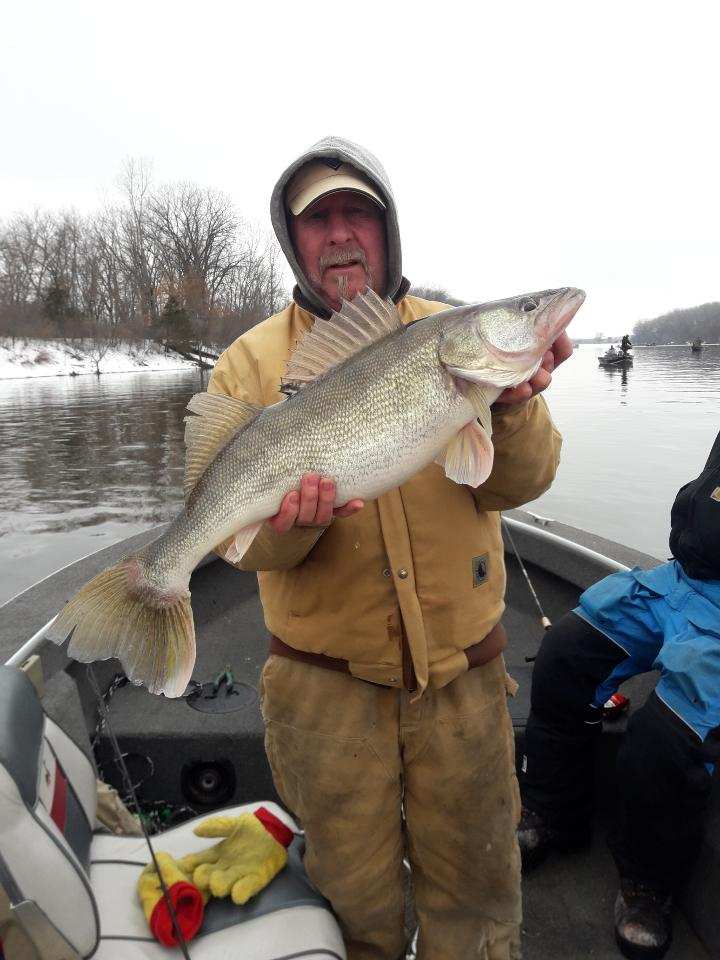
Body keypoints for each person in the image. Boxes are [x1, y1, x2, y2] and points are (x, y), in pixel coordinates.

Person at [207, 136, 572, 960]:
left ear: (388, 229)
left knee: (479, 908)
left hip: (463, 684)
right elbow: (241, 551)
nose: (340, 234)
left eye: (357, 214)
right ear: (293, 239)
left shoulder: (454, 336)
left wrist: (508, 408)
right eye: (319, 219)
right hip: (323, 699)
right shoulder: (247, 365)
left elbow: (524, 481)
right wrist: (287, 529)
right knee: (350, 910)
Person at [518, 430, 720, 960]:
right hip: (683, 583)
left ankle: (648, 884)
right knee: (565, 655)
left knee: (663, 739)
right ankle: (554, 813)